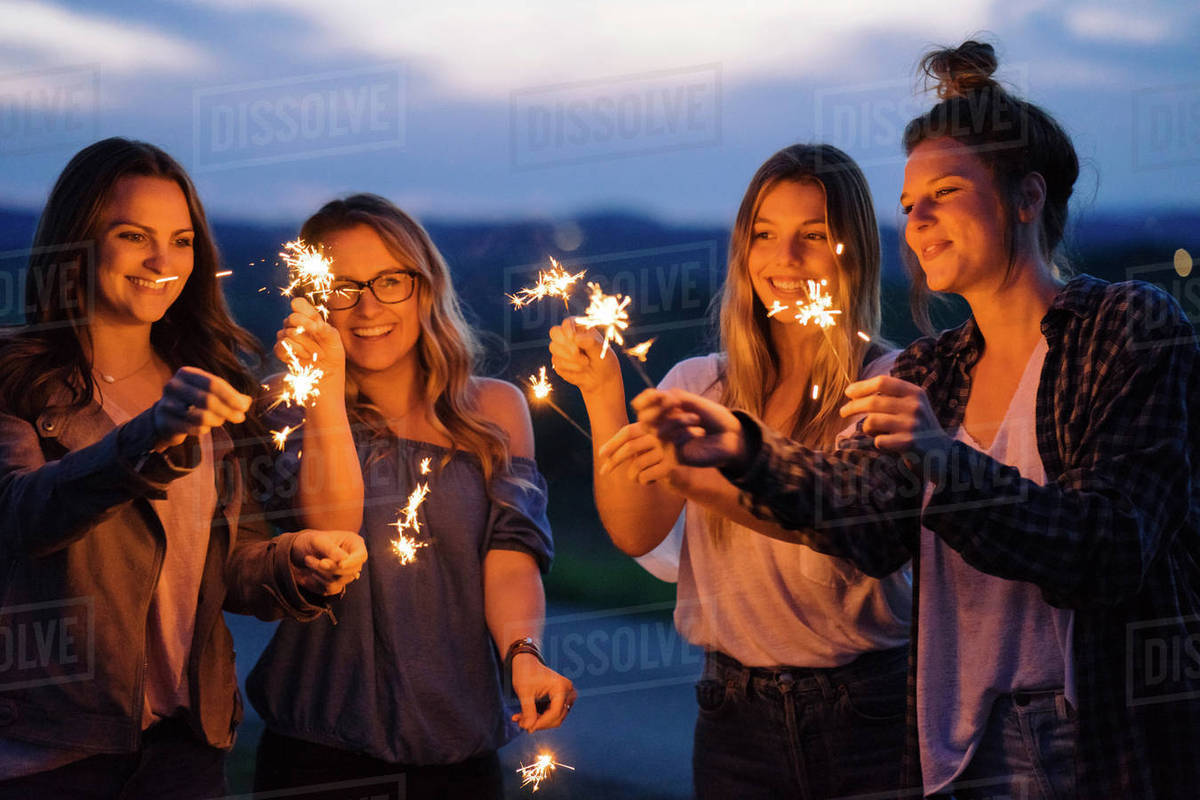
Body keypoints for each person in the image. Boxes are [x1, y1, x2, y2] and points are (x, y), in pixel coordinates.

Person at [629, 41, 1200, 799]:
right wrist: (747, 450)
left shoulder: (1126, 327)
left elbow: (1110, 547)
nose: (918, 220)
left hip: (1086, 731)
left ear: (1027, 198)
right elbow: (868, 526)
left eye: (945, 192)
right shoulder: (937, 368)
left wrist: (943, 459)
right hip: (949, 739)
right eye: (907, 205)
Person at [0, 138, 367, 799]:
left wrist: (295, 561)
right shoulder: (17, 378)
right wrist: (148, 434)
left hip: (185, 754)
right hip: (50, 753)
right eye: (133, 234)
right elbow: (22, 518)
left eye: (181, 239)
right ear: (78, 241)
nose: (161, 261)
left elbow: (231, 564)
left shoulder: (210, 386)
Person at [549, 144, 911, 799]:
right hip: (732, 712)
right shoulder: (700, 386)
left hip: (871, 712)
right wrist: (603, 392)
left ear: (852, 251)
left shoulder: (888, 385)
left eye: (814, 236)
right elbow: (636, 533)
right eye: (764, 235)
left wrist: (701, 478)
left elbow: (840, 524)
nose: (785, 258)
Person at [248, 193, 576, 800]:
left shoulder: (495, 410)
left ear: (424, 288)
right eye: (342, 287)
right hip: (313, 750)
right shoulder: (284, 403)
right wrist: (325, 388)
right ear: (313, 297)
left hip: (457, 752)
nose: (367, 306)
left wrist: (523, 654)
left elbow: (511, 554)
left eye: (389, 281)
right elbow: (331, 531)